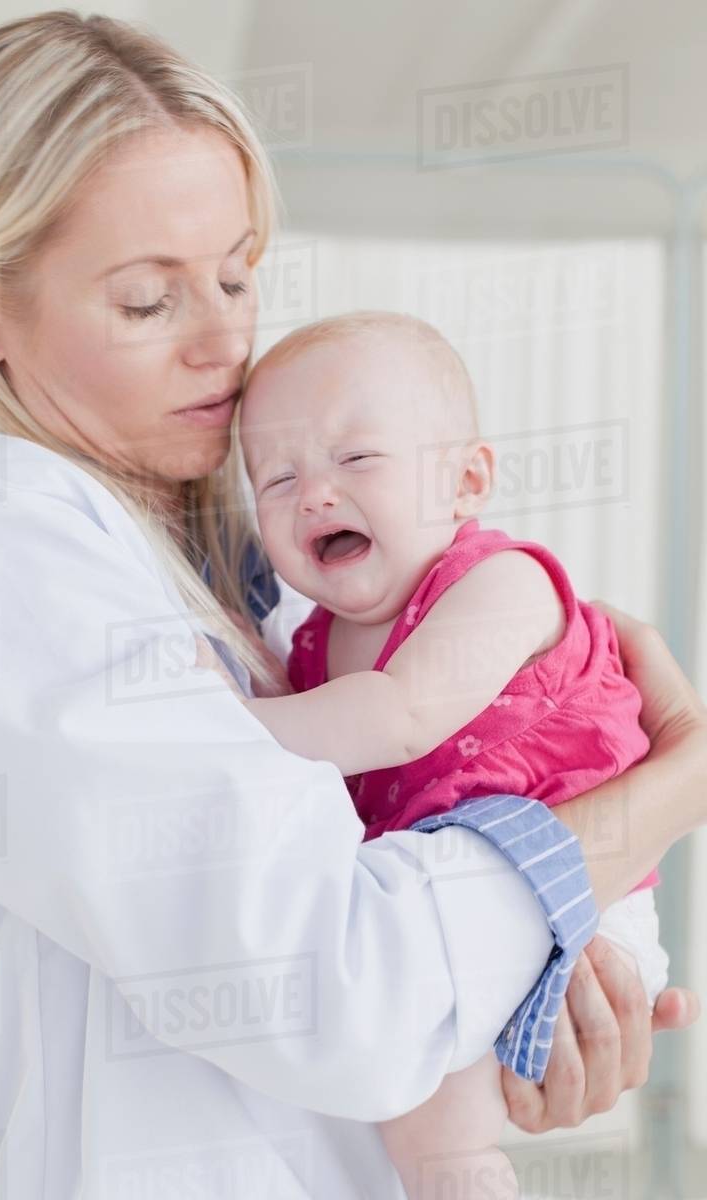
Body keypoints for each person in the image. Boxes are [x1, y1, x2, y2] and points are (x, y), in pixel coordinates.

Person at [0, 12, 702, 1199]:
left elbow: (406, 962)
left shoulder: (249, 554)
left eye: (237, 274)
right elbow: (347, 993)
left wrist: (545, 1004)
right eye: (145, 302)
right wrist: (653, 804)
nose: (226, 341)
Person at [228, 310, 671, 1198]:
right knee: (411, 1095)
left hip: (581, 902)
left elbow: (401, 717)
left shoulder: (499, 583)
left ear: (467, 480)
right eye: (277, 479)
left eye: (356, 460)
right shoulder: (314, 647)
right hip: (459, 901)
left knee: (440, 1124)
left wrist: (224, 726)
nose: (314, 493)